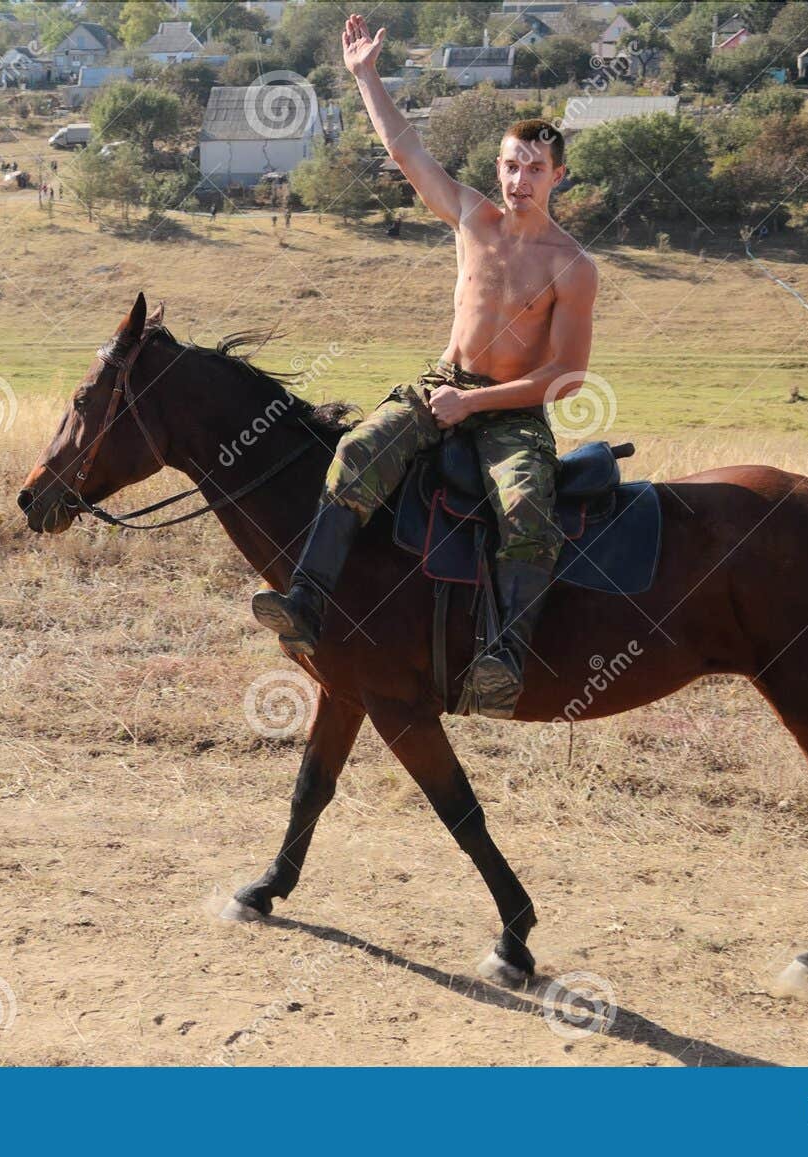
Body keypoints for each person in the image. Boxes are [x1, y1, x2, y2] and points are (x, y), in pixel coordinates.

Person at [249, 13, 598, 719]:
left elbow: (567, 377)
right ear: (496, 167)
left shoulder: (572, 266)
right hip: (443, 382)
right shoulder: (474, 220)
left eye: (535, 168)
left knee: (528, 509)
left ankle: (502, 658)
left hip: (510, 412)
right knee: (355, 450)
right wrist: (365, 76)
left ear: (558, 175)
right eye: (510, 165)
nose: (520, 179)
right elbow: (408, 153)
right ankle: (307, 601)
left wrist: (474, 408)